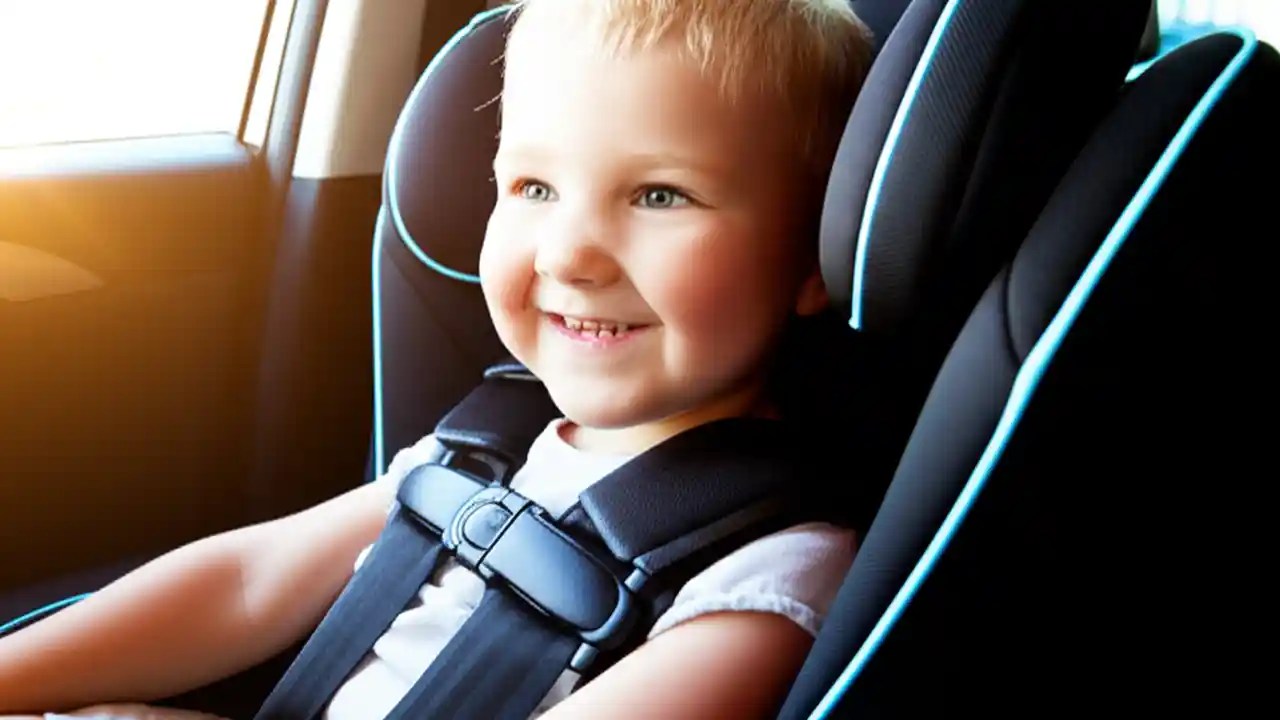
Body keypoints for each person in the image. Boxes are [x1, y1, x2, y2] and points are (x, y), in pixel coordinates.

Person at [0, 0, 873, 717]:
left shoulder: (773, 579)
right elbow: (245, 582)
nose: (568, 254)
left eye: (659, 194)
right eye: (533, 187)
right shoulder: (491, 444)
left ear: (812, 257)